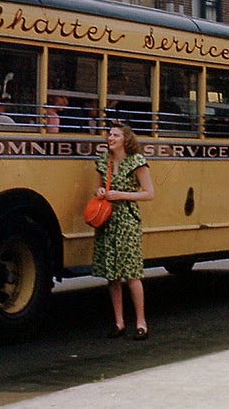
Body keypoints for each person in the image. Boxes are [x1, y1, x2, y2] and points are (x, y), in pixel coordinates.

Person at [93, 121, 155, 341]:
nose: (111, 138)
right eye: (109, 135)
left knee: (131, 273)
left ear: (125, 139)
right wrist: (100, 191)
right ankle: (118, 322)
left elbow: (149, 193)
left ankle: (141, 322)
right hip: (108, 219)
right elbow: (97, 187)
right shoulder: (104, 162)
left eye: (115, 135)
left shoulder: (137, 162)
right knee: (112, 275)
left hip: (128, 219)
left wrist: (122, 195)